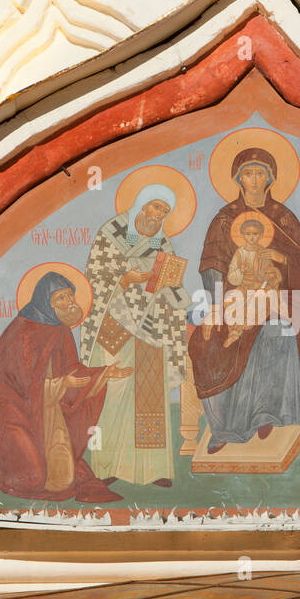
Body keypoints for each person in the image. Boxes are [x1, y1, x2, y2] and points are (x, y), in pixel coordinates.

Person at [0, 272, 132, 504]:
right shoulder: (23, 331)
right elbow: (23, 385)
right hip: (15, 412)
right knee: (31, 478)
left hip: (50, 410)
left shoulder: (61, 329)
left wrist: (103, 373)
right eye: (61, 298)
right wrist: (61, 384)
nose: (69, 303)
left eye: (69, 296)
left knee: (62, 481)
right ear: (45, 301)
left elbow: (71, 368)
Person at [188, 147, 300, 454]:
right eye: (248, 173)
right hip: (232, 299)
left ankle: (266, 413)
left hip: (277, 297)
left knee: (276, 331)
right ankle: (223, 427)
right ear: (238, 178)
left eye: (261, 172)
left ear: (271, 178)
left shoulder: (285, 219)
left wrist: (281, 262)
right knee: (207, 343)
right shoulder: (224, 219)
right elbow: (212, 265)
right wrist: (221, 301)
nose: (254, 179)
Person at [76, 183, 191, 487]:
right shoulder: (112, 232)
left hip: (150, 329)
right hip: (113, 325)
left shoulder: (162, 244)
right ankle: (107, 467)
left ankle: (152, 470)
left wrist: (172, 290)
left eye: (164, 211)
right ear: (141, 204)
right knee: (112, 394)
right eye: (155, 207)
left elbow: (171, 284)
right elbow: (96, 277)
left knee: (150, 398)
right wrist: (127, 278)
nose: (158, 215)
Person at [223, 215, 283, 347]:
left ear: (261, 235)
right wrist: (241, 272)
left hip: (261, 288)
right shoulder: (239, 253)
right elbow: (232, 276)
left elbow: (270, 271)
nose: (251, 237)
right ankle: (234, 332)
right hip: (244, 287)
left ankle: (238, 331)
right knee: (231, 300)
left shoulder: (263, 252)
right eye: (248, 234)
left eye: (255, 234)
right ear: (243, 235)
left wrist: (267, 279)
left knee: (257, 300)